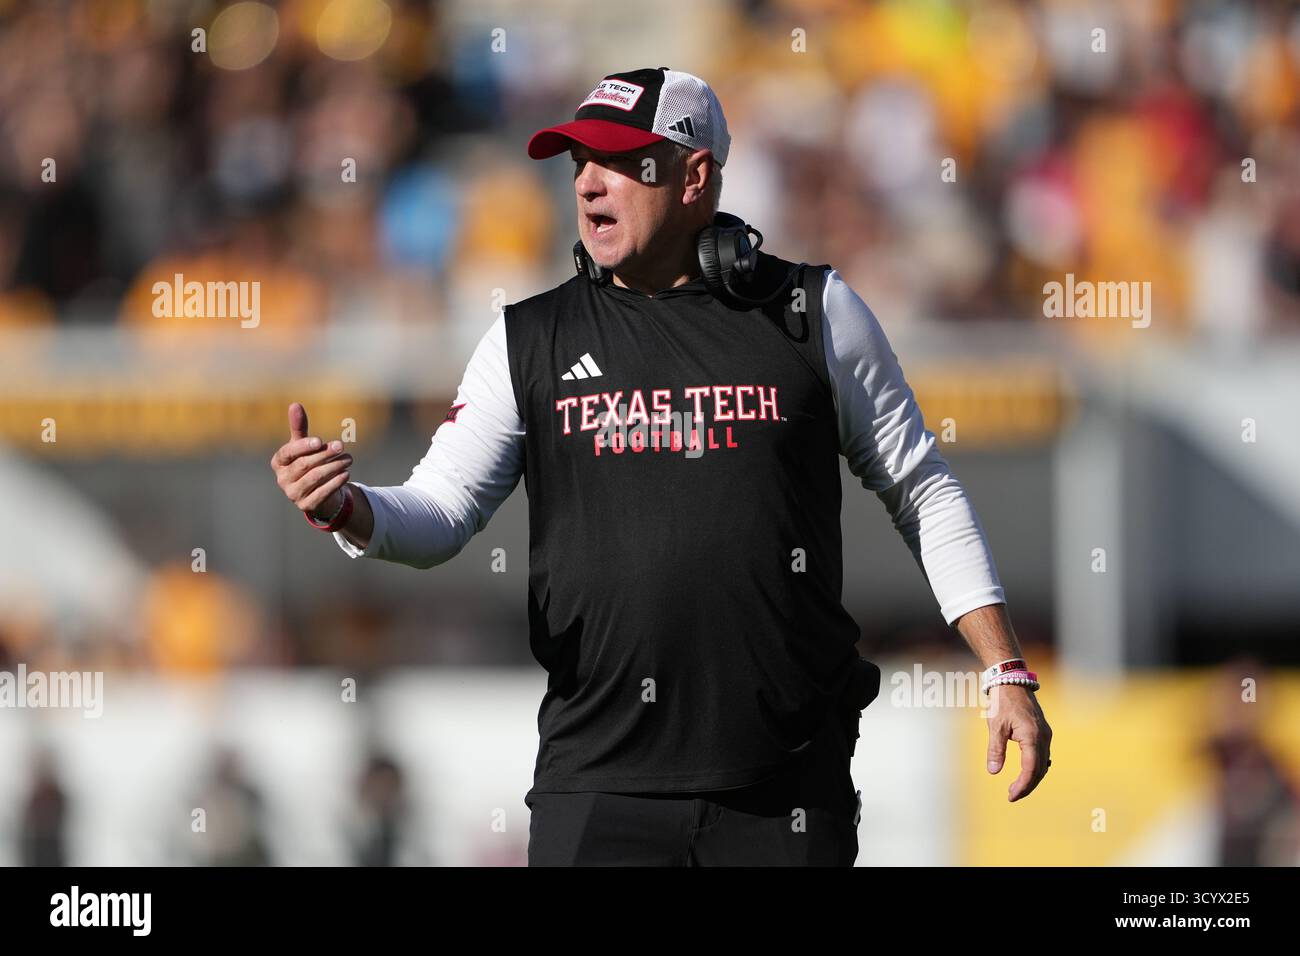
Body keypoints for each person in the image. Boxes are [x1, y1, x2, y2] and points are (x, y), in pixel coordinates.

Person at [270, 67, 1053, 866]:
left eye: (618, 161)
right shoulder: (526, 339)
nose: (588, 185)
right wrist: (346, 507)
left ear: (695, 177)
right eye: (577, 162)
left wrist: (1004, 666)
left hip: (783, 791)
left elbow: (921, 486)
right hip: (598, 788)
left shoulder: (812, 314)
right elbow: (439, 515)